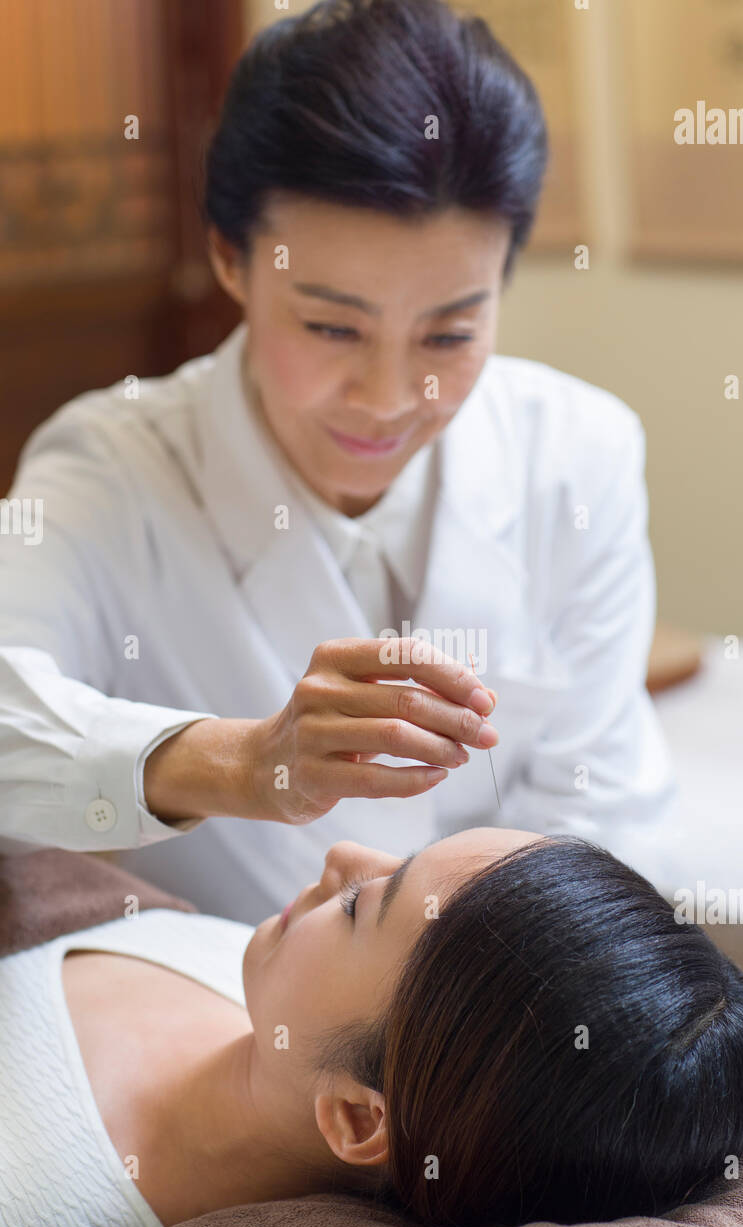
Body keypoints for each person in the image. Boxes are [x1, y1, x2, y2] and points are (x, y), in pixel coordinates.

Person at [0, 0, 677, 925]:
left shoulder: (576, 454)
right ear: (230, 260)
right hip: (227, 1019)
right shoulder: (111, 468)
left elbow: (603, 811)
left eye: (449, 332)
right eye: (331, 326)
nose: (389, 395)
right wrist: (241, 764)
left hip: (503, 1018)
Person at [0, 828, 743, 1227]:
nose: (343, 855)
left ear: (358, 1117)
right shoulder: (263, 990)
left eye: (356, 908)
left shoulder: (37, 1224)